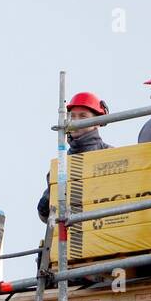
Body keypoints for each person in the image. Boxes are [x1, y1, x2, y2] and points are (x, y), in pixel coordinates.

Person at [37, 92, 114, 223]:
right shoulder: (61, 165)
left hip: (103, 231)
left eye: (83, 116)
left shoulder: (110, 155)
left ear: (97, 122)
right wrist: (48, 199)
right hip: (73, 236)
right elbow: (46, 215)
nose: (76, 121)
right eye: (72, 116)